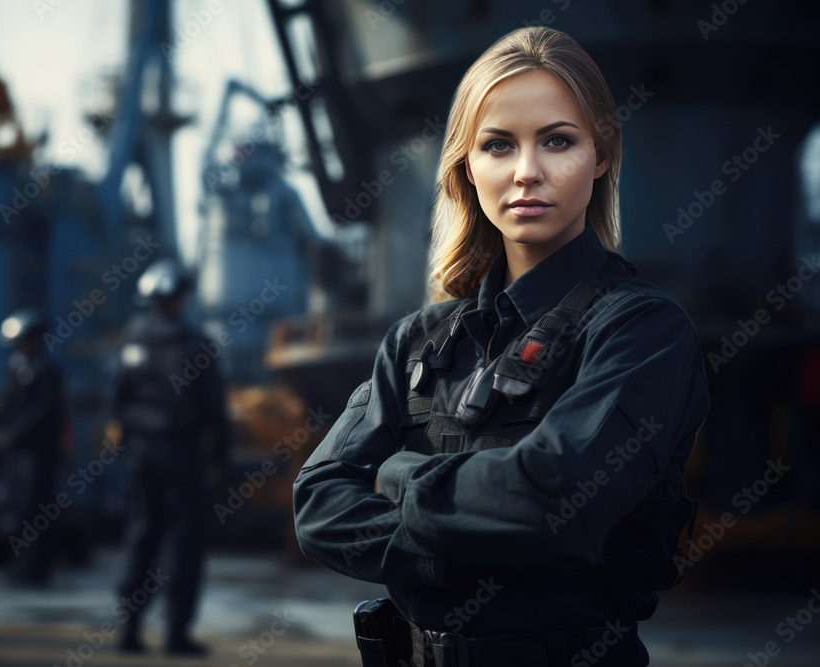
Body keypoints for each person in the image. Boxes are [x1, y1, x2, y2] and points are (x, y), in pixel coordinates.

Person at [292, 26, 710, 667]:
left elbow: (552, 501)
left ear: (601, 156)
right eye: (497, 145)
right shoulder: (416, 340)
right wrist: (473, 534)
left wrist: (398, 477)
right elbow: (319, 502)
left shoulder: (643, 331)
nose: (526, 172)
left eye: (558, 140)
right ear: (466, 163)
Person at [111, 258, 231, 656]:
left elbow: (118, 403)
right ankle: (176, 634)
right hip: (183, 455)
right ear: (181, 297)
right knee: (184, 543)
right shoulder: (197, 345)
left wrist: (128, 445)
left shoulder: (132, 340)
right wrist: (220, 459)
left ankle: (129, 630)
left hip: (142, 456)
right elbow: (215, 409)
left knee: (141, 535)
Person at [0, 307, 65, 585]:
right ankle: (18, 569)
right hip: (16, 457)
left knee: (37, 511)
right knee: (15, 509)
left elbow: (43, 413)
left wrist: (12, 435)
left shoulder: (47, 372)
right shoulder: (15, 370)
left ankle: (37, 571)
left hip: (38, 456)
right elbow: (6, 406)